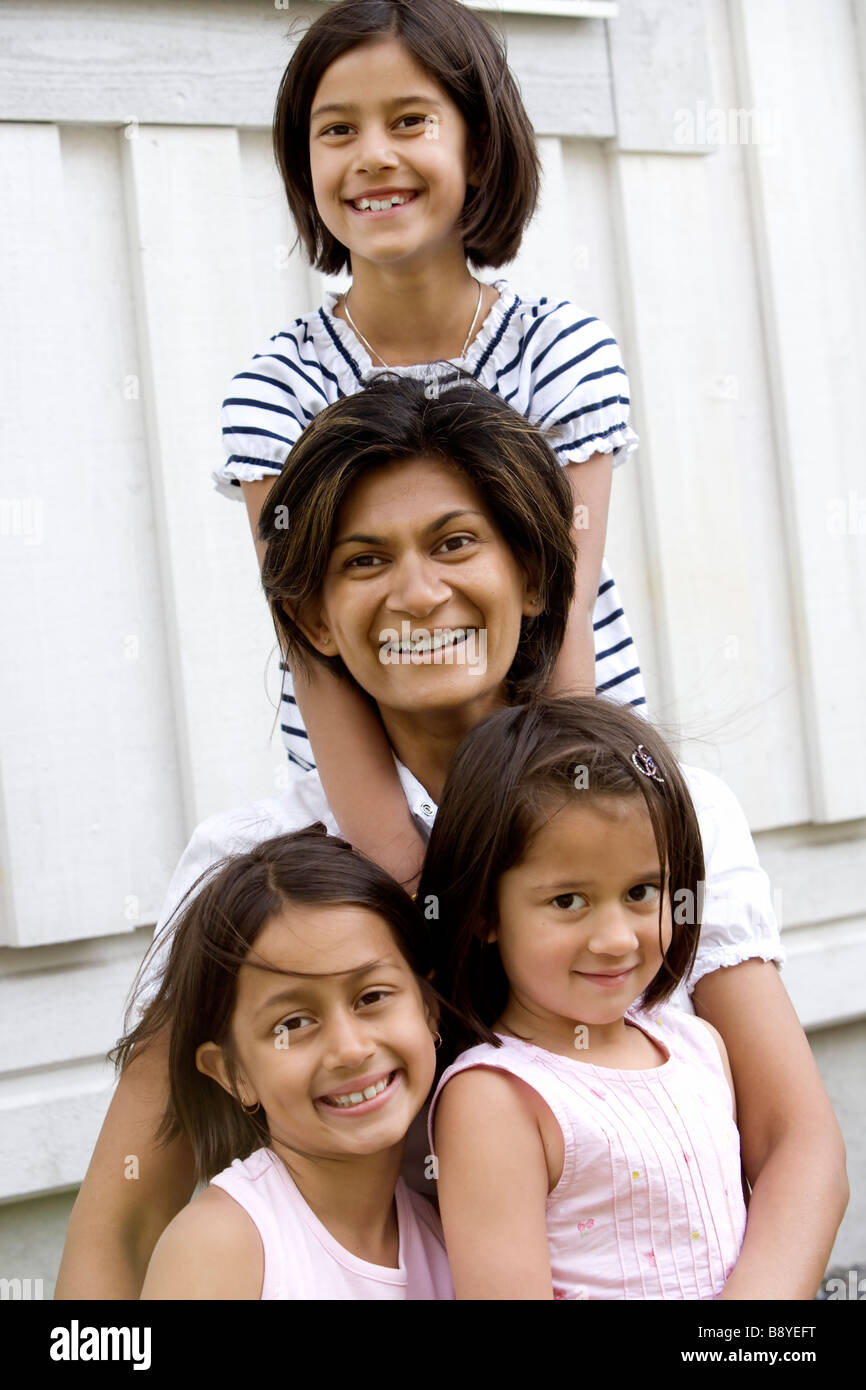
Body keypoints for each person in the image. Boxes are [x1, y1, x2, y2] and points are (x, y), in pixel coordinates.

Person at [56, 378, 846, 1299]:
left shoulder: (666, 810)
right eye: (363, 561)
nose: (419, 594)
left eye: (456, 543)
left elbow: (799, 1145)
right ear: (315, 619)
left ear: (535, 575)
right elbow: (123, 1219)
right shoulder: (264, 858)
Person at [223, 0, 642, 892]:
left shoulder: (558, 350)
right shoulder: (276, 390)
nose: (372, 154)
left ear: (480, 148)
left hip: (566, 768)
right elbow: (313, 651)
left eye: (410, 121)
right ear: (305, 164)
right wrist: (406, 872)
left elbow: (563, 618)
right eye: (337, 130)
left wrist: (564, 829)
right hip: (369, 800)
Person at [420, 697, 747, 1300]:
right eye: (568, 901)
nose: (616, 939)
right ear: (487, 912)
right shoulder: (498, 1098)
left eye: (642, 891)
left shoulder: (698, 1046)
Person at [119, 827, 452, 1300]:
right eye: (294, 1023)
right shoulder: (222, 1247)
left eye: (372, 996)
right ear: (233, 1074)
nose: (350, 1049)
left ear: (428, 1010)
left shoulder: (449, 1237)